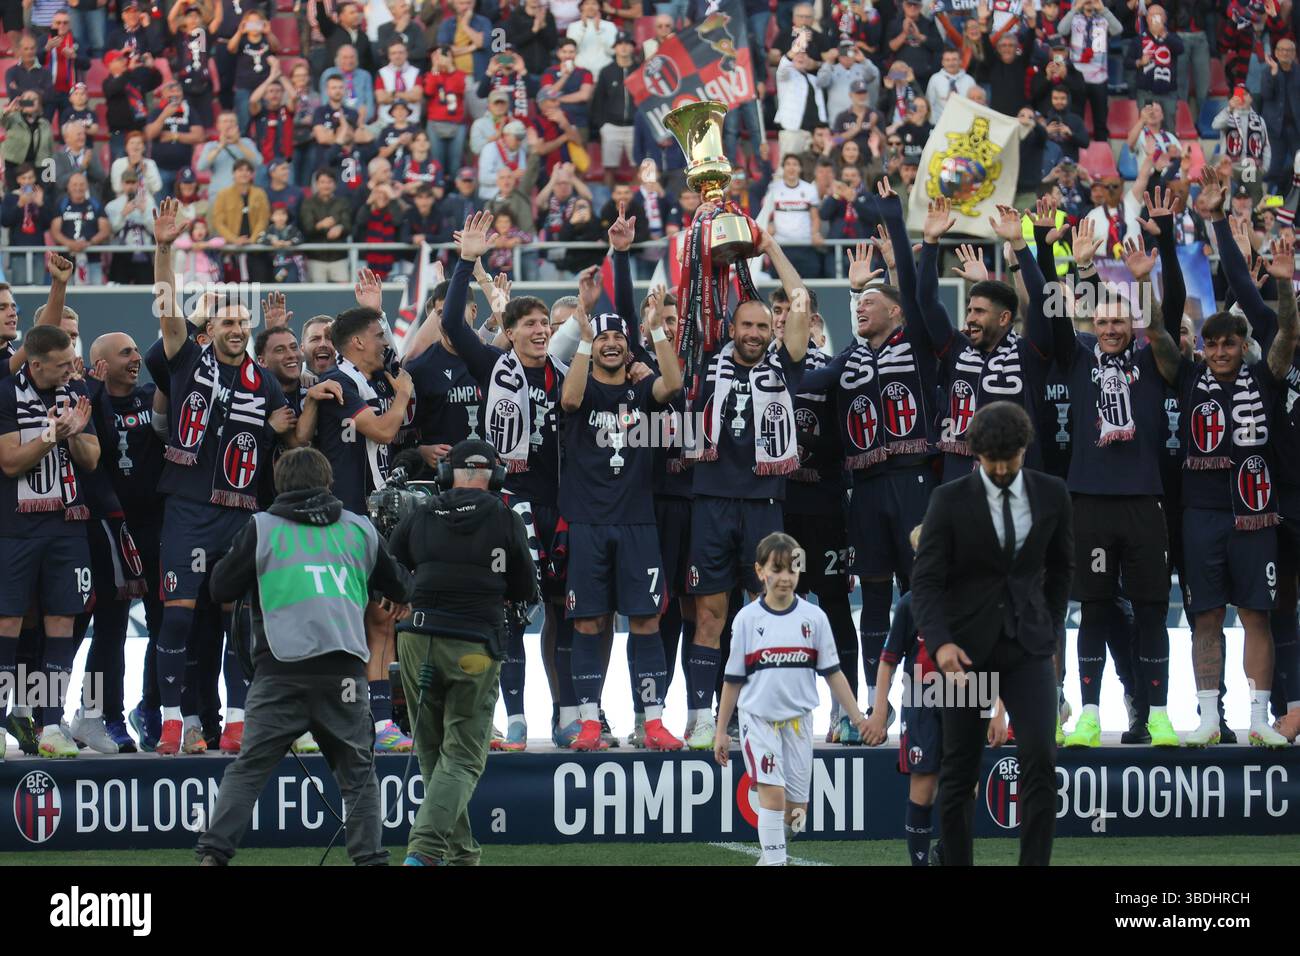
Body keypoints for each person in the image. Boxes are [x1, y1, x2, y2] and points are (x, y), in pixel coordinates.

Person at [196, 447, 414, 866]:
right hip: (346, 674)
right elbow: (401, 586)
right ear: (329, 482)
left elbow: (220, 588)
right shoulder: (359, 529)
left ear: (280, 485)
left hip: (280, 672)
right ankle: (371, 861)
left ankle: (213, 857)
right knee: (358, 777)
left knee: (248, 771)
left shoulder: (262, 528)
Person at [149, 197, 298, 756]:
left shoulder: (267, 383)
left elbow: (291, 440)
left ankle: (238, 721)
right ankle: (171, 721)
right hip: (188, 509)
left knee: (241, 623)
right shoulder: (187, 358)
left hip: (241, 515)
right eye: (227, 322)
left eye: (243, 322)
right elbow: (165, 309)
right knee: (179, 619)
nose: (237, 329)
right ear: (207, 329)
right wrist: (164, 250)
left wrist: (288, 427)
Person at [910, 401, 1074, 866]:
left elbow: (1063, 568)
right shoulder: (949, 499)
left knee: (1041, 759)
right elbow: (925, 581)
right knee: (960, 771)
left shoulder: (1052, 493)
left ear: (1025, 449)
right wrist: (939, 642)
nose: (1002, 470)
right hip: (964, 656)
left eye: (1011, 460)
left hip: (1029, 651)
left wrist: (1051, 626)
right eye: (991, 461)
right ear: (975, 453)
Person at [1178, 167, 1299, 745]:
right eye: (1214, 342)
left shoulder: (1265, 374)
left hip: (1260, 512)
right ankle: (1207, 715)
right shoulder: (1188, 377)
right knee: (1205, 616)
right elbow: (1157, 334)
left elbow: (1284, 337)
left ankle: (1258, 719)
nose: (1222, 349)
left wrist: (1285, 288)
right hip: (1203, 515)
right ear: (1203, 347)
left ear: (1243, 345)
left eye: (1232, 342)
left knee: (1260, 615)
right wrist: (1213, 221)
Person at [680, 230, 811, 749]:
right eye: (746, 324)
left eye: (763, 325)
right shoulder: (705, 360)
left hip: (764, 504)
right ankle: (699, 717)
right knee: (710, 615)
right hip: (710, 501)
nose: (755, 333)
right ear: (731, 328)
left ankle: (755, 714)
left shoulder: (784, 363)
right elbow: (694, 300)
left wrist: (769, 245)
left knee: (765, 612)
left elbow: (799, 298)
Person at [388, 439, 538, 866]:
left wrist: (405, 594)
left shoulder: (420, 512)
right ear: (496, 475)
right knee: (465, 758)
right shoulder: (506, 517)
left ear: (446, 473)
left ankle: (463, 857)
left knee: (434, 755)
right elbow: (525, 588)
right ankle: (424, 852)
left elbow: (390, 563)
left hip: (417, 639)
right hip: (473, 646)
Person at [559, 261, 685, 751]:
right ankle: (590, 722)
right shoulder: (582, 384)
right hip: (589, 522)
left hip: (637, 523)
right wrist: (587, 338)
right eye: (604, 339)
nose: (612, 344)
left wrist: (655, 333)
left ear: (629, 348)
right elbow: (569, 401)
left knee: (647, 620)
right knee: (589, 622)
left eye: (618, 339)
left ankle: (652, 720)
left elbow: (672, 385)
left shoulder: (641, 388)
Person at [713, 532, 869, 867]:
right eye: (777, 569)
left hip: (799, 724)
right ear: (760, 571)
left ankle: (774, 852)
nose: (785, 577)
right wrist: (721, 729)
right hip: (759, 721)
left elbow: (833, 673)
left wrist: (856, 717)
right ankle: (775, 861)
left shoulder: (814, 619)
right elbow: (732, 679)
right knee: (772, 792)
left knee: (797, 812)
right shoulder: (746, 619)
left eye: (792, 570)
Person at [0, 263, 94, 758]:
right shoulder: (5, 383)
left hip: (63, 525)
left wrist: (59, 284)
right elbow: (11, 461)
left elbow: (43, 341)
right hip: (12, 526)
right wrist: (51, 434)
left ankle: (51, 723)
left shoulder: (70, 388)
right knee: (8, 622)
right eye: (2, 307)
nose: (69, 367)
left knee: (61, 620)